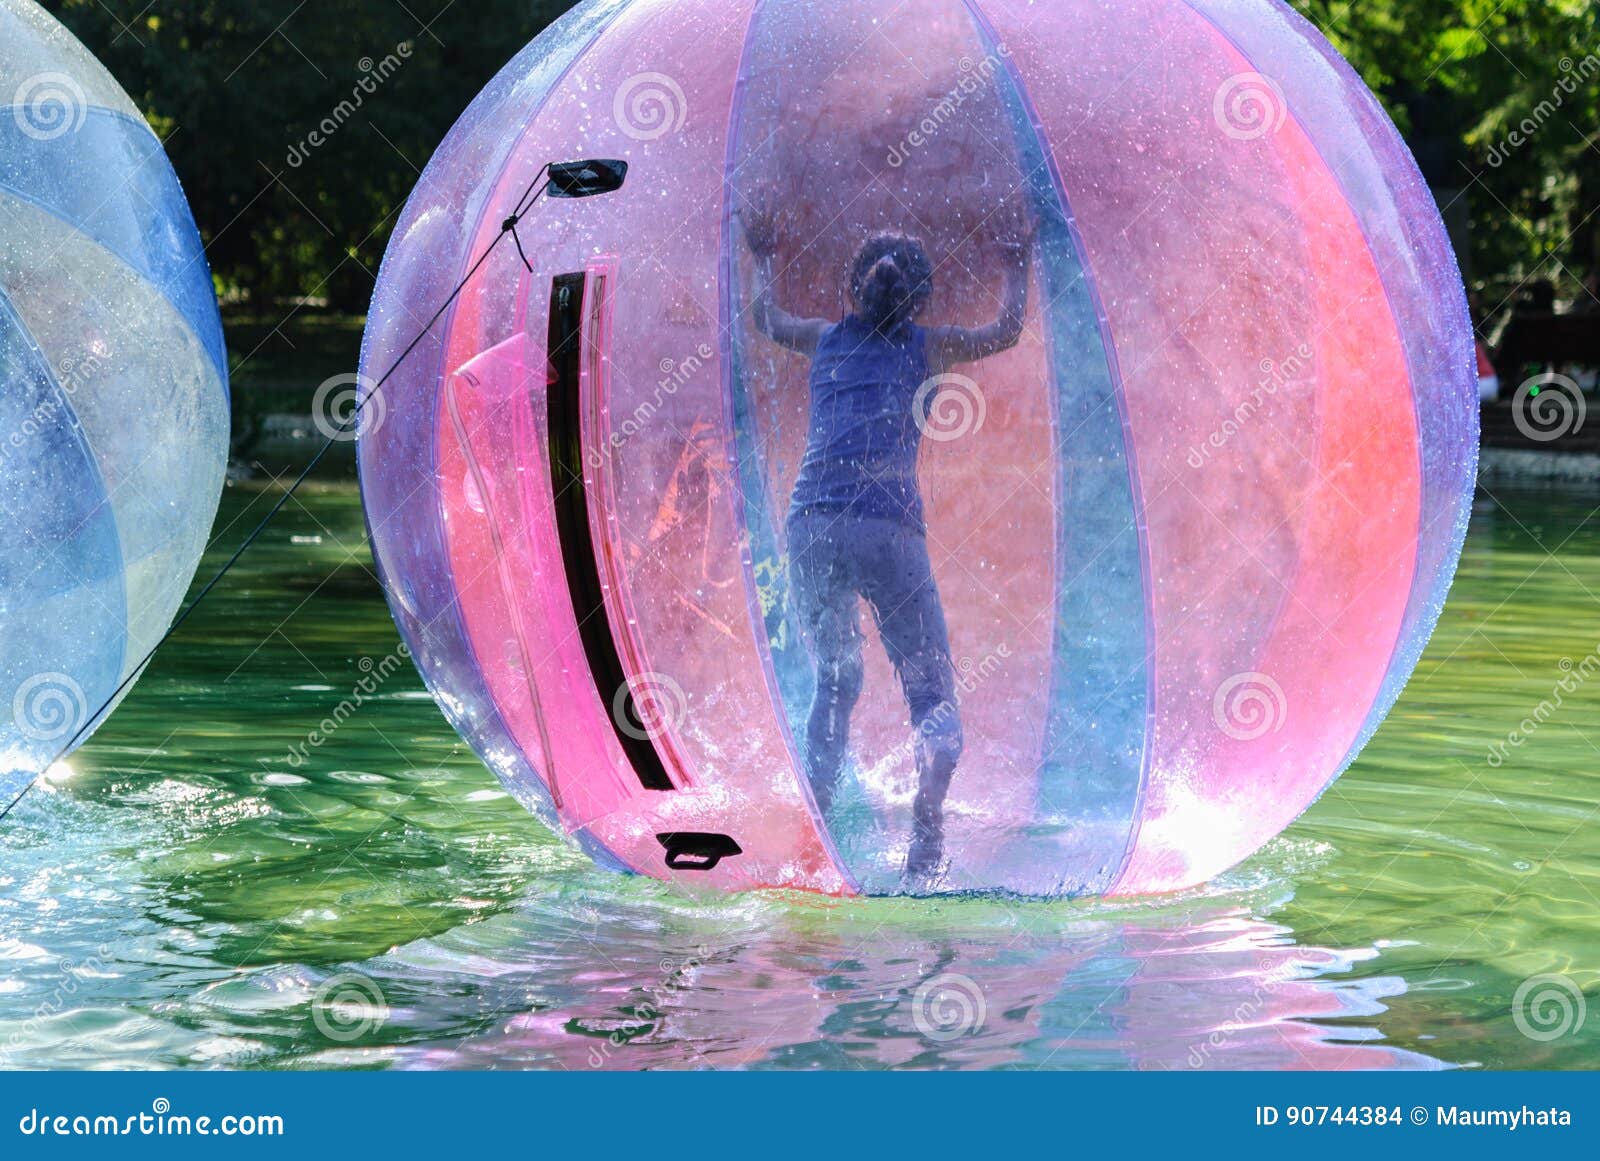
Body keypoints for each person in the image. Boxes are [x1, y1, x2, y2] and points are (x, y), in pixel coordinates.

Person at [740, 205, 1032, 883]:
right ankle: (926, 836)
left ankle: (815, 837)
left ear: (851, 288)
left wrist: (763, 255)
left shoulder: (822, 336)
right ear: (921, 298)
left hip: (812, 522)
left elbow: (764, 318)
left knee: (835, 681)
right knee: (931, 695)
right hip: (889, 530)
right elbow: (1007, 330)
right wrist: (1016, 264)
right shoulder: (927, 345)